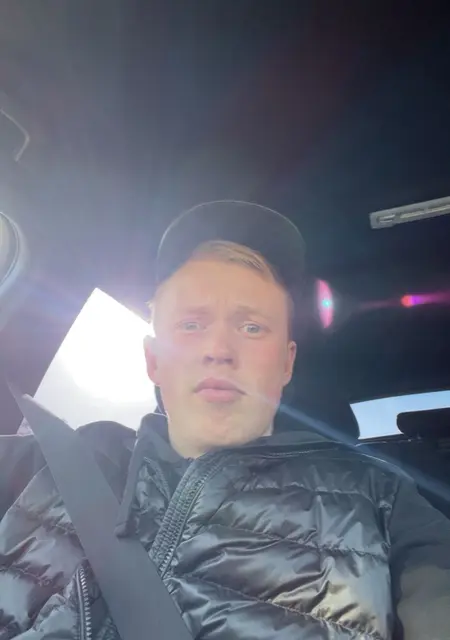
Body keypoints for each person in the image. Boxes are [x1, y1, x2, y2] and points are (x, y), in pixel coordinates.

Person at [1, 200, 450, 640]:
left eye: (252, 327)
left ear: (287, 363)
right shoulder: (50, 461)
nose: (219, 349)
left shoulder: (381, 500)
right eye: (191, 325)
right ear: (154, 360)